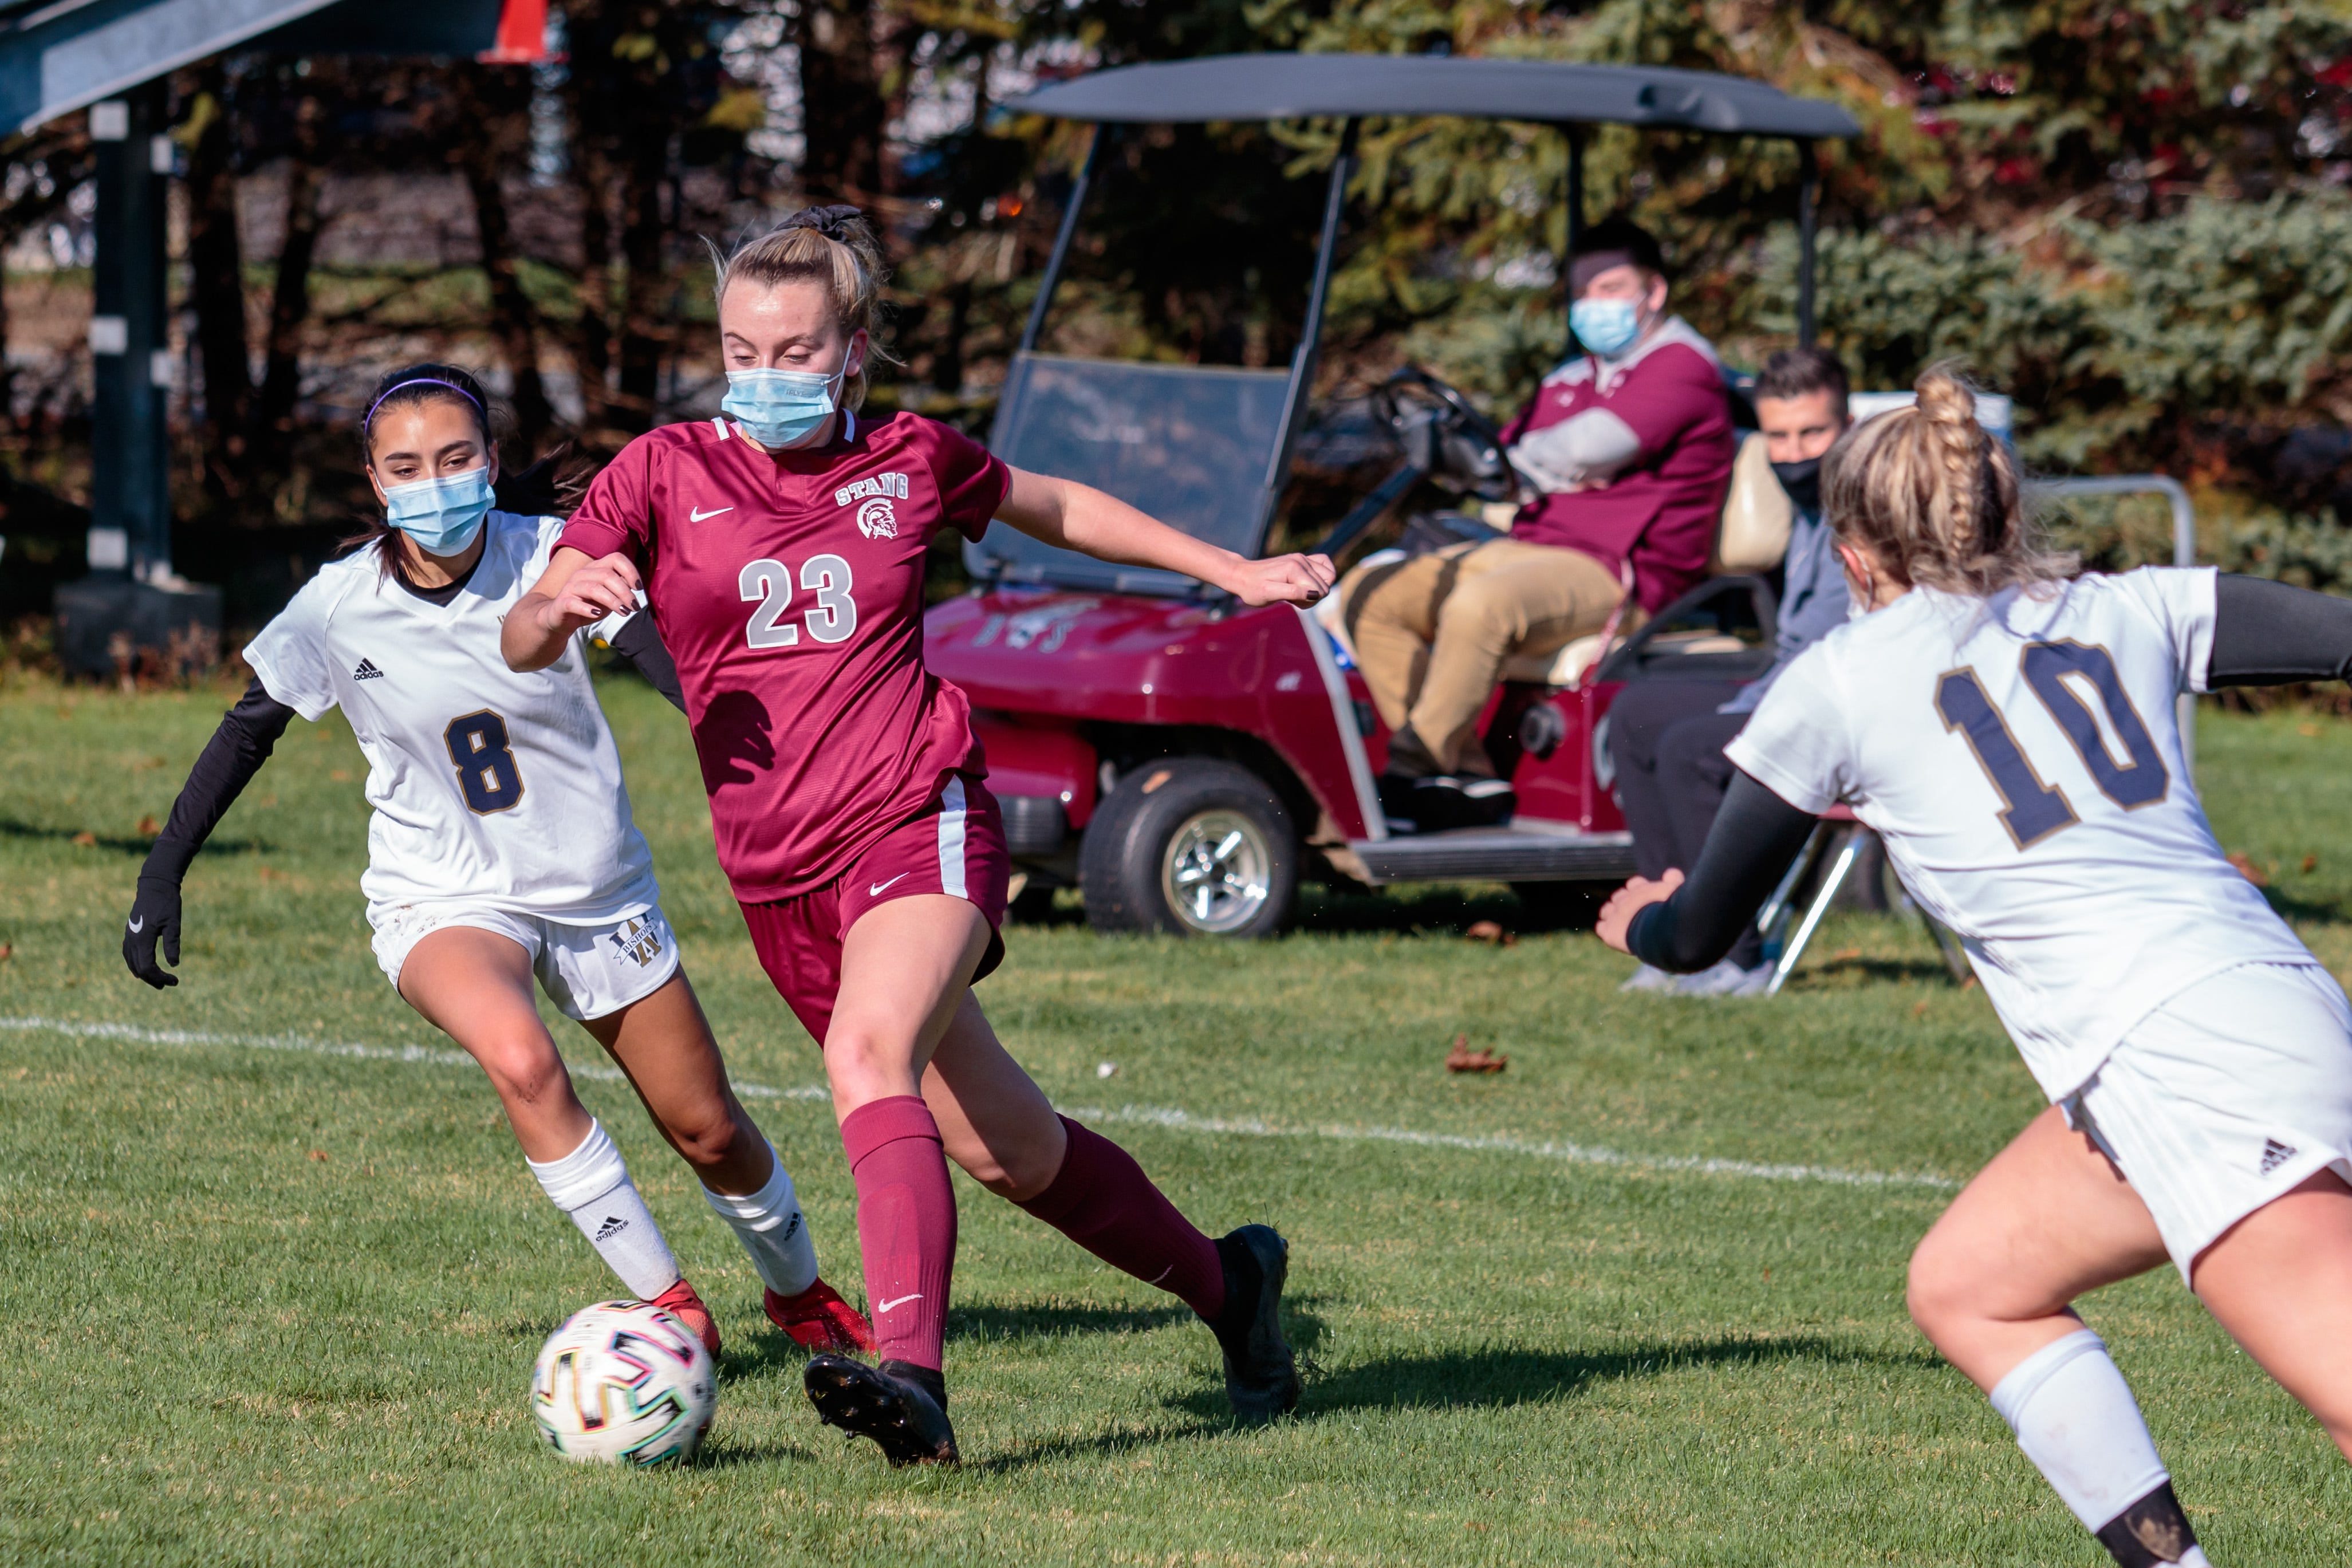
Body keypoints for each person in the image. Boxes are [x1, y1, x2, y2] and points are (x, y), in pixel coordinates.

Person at [501, 206, 1333, 1466]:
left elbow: (1051, 503)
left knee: (867, 1056)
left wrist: (1229, 568)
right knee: (1004, 1149)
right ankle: (1232, 1287)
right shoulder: (659, 470)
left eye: (793, 352)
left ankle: (914, 1381)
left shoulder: (909, 455)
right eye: (740, 348)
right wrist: (553, 607)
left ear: (852, 349)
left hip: (917, 811)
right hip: (776, 870)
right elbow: (521, 633)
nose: (762, 375)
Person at [1596, 365, 2352, 1567]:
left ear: (1850, 553)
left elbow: (1695, 936)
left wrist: (1637, 918)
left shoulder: (1837, 680)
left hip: (2179, 1060)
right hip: (2256, 1010)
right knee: (1968, 1284)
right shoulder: (2135, 603)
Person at [121, 363, 872, 1362]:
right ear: (376, 483)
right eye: (406, 467)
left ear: (491, 461)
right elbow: (246, 730)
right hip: (442, 894)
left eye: (456, 458)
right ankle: (672, 1309)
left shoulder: (558, 555)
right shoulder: (336, 606)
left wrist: (752, 737)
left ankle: (799, 1291)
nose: (434, 483)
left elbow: (658, 653)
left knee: (709, 1129)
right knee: (520, 1058)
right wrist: (162, 869)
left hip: (597, 889)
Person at [1335, 218, 1736, 831]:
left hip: (1621, 571)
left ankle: (1414, 768)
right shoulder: (1570, 380)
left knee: (1480, 604)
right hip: (1534, 547)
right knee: (1370, 591)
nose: (1593, 306)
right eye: (1582, 293)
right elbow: (1524, 459)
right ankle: (1465, 775)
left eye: (1611, 288)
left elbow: (1590, 446)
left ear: (1653, 293)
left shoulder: (1683, 367)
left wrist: (1527, 465)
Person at [1609, 346, 1854, 996]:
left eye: (1813, 432)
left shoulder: (1865, 509)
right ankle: (1671, 935)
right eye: (1778, 436)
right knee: (1634, 713)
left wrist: (1747, 706)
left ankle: (1732, 955)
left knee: (1691, 748)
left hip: (1838, 710)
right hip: (1788, 686)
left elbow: (1840, 658)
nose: (1795, 452)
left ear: (1847, 427)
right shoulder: (1809, 507)